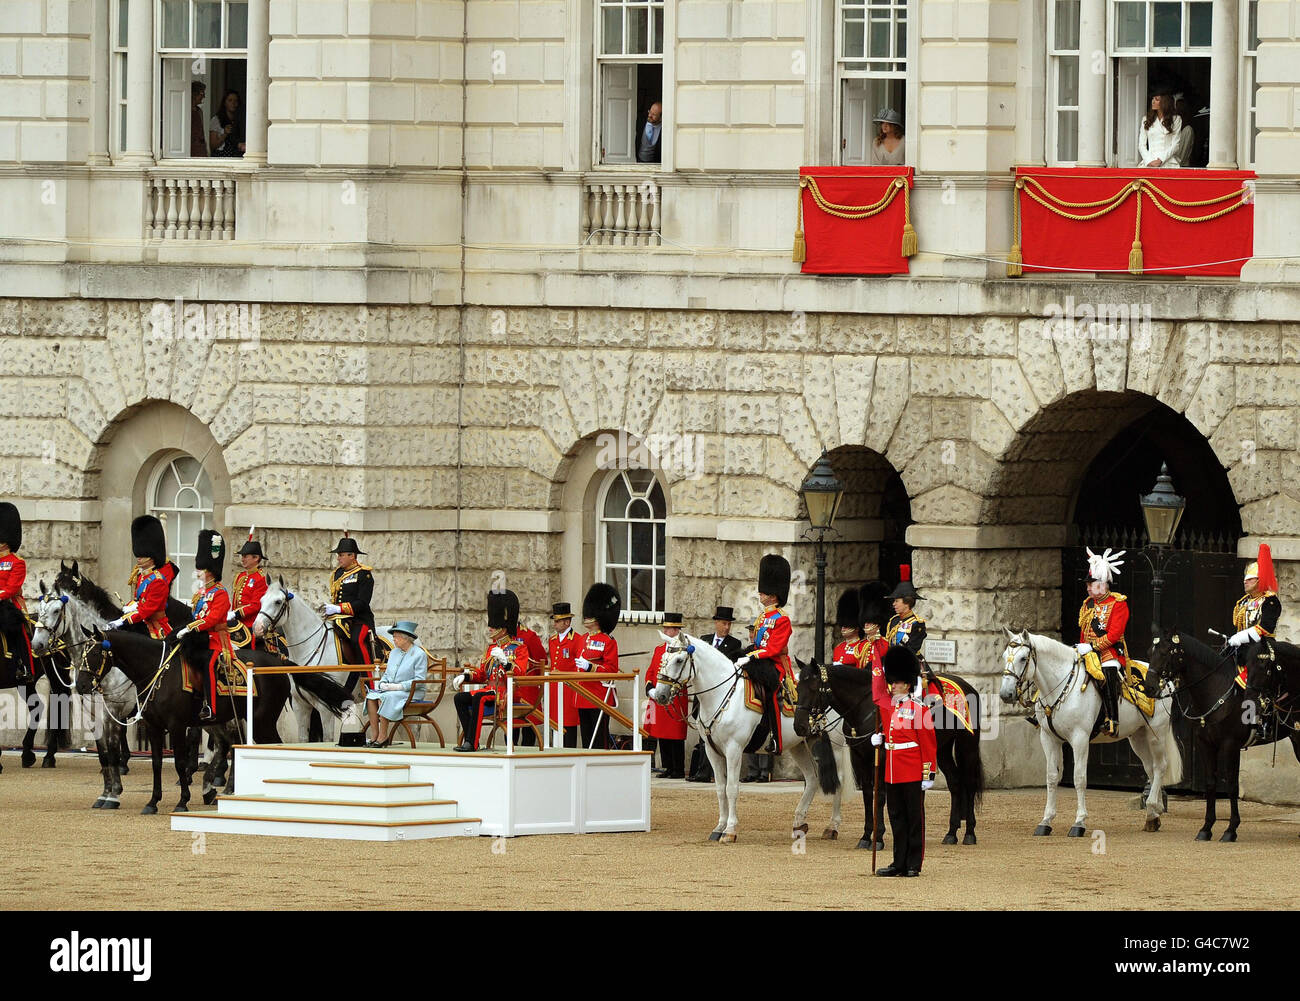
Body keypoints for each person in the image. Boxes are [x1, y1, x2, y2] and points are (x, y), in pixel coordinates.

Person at [871, 645, 936, 877]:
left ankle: (913, 864)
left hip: (912, 772)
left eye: (897, 682)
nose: (893, 685)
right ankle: (898, 862)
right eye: (892, 681)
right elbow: (878, 692)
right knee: (896, 818)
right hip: (892, 771)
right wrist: (879, 739)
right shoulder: (890, 707)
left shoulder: (919, 709)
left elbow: (928, 744)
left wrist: (928, 774)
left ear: (907, 684)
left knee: (914, 819)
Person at [451, 590, 530, 751]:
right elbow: (482, 673)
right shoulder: (491, 648)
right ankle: (470, 738)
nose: (490, 629)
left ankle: (471, 743)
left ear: (504, 628)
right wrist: (465, 676)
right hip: (491, 690)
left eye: (493, 626)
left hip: (506, 692)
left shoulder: (519, 648)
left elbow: (521, 672)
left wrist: (506, 663)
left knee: (479, 697)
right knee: (460, 698)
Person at [736, 554, 793, 755]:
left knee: (770, 692)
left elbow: (774, 648)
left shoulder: (782, 619)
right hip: (760, 660)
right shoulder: (763, 616)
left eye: (764, 591)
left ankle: (776, 738)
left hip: (775, 665)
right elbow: (759, 643)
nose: (760, 593)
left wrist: (752, 656)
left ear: (774, 595)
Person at [175, 529, 232, 722]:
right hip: (199, 638)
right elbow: (196, 614)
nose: (198, 572)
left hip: (216, 640)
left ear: (210, 571)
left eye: (201, 569)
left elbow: (212, 619)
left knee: (208, 664)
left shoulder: (221, 593)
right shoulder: (200, 593)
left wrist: (191, 628)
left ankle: (211, 707)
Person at [1076, 547, 1130, 738]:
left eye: (1093, 584)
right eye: (1088, 584)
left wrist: (1092, 647)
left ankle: (1112, 720)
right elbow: (1084, 632)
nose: (1089, 588)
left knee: (1109, 669)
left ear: (1105, 584)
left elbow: (1114, 635)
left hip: (1110, 651)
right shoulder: (1087, 604)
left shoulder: (1118, 603)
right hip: (1088, 650)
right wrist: (1083, 647)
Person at [1231, 544, 1281, 741]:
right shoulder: (1243, 602)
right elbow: (1239, 626)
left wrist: (1241, 637)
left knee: (1252, 682)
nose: (1246, 582)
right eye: (1245, 579)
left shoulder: (1270, 601)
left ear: (1260, 581)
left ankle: (1252, 721)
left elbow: (1266, 627)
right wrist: (1234, 640)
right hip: (1244, 648)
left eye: (1250, 579)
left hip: (1262, 648)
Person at [108, 515, 174, 640]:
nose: (139, 558)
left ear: (152, 556)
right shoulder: (142, 576)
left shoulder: (158, 581)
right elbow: (139, 601)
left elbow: (146, 610)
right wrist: (130, 606)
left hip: (157, 628)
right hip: (142, 621)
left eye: (142, 555)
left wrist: (123, 621)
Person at [363, 621, 427, 747]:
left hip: (411, 692)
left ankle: (383, 736)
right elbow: (387, 674)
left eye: (396, 636)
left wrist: (398, 686)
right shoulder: (394, 653)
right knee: (371, 697)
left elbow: (419, 680)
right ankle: (374, 736)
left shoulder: (419, 654)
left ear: (405, 638)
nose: (393, 639)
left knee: (385, 697)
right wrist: (382, 683)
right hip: (392, 691)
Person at [322, 533, 377, 676]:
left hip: (359, 619)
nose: (338, 558)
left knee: (356, 640)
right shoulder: (337, 573)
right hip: (338, 617)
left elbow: (363, 603)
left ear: (352, 556)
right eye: (338, 555)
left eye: (341, 555)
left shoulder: (364, 574)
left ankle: (369, 679)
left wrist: (339, 608)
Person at [575, 582, 621, 750]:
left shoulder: (608, 641)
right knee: (586, 737)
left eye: (591, 615)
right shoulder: (582, 639)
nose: (587, 618)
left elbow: (611, 670)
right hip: (582, 695)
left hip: (599, 695)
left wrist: (590, 668)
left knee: (599, 738)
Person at [645, 611, 688, 778]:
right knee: (661, 733)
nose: (666, 632)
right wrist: (650, 688)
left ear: (677, 631)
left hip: (674, 697)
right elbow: (651, 671)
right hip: (658, 696)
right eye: (665, 628)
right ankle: (667, 767)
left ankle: (678, 768)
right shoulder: (658, 649)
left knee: (675, 734)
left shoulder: (681, 650)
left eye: (669, 629)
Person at [886, 565, 938, 691]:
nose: (893, 604)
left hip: (910, 663)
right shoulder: (893, 621)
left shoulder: (917, 623)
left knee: (919, 690)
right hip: (892, 662)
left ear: (907, 602)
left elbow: (912, 648)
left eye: (896, 601)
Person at [0, 502, 33, 684]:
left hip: (9, 604)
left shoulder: (16, 562)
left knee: (15, 629)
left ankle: (23, 665)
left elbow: (12, 588)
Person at [547, 601, 584, 748]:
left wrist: (562, 673)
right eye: (554, 621)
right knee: (553, 722)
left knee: (568, 723)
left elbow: (578, 667)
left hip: (569, 688)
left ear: (567, 622)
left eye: (557, 621)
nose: (555, 624)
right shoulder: (552, 640)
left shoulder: (577, 640)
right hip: (554, 688)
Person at [858, 581, 894, 726]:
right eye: (865, 621)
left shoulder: (885, 644)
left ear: (878, 623)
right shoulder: (861, 646)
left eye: (870, 621)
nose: (866, 624)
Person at [227, 528, 268, 649]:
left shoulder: (260, 578)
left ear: (256, 558)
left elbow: (256, 605)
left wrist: (237, 613)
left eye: (245, 556)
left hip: (251, 624)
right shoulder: (240, 576)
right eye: (242, 556)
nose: (242, 559)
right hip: (237, 622)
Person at [514, 613, 548, 747]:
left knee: (528, 728)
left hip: (527, 689)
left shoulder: (529, 636)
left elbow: (541, 661)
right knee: (510, 727)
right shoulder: (503, 637)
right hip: (511, 689)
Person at [1137, 90, 1183, 168]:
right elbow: (1141, 145)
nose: (1153, 101)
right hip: (1149, 163)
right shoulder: (1146, 119)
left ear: (1165, 102)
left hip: (1168, 162)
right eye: (1153, 99)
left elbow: (1175, 145)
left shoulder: (1176, 119)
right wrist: (1149, 160)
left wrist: (1161, 160)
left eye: (1156, 99)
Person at [209, 89, 245, 158]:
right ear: (224, 103)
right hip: (222, 157)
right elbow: (213, 145)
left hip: (238, 156)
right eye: (230, 100)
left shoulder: (240, 119)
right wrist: (225, 134)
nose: (233, 103)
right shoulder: (216, 120)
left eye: (236, 101)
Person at [190, 81, 208, 157]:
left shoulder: (199, 111)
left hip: (200, 148)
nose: (204, 96)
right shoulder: (186, 110)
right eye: (201, 93)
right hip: (190, 147)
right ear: (194, 94)